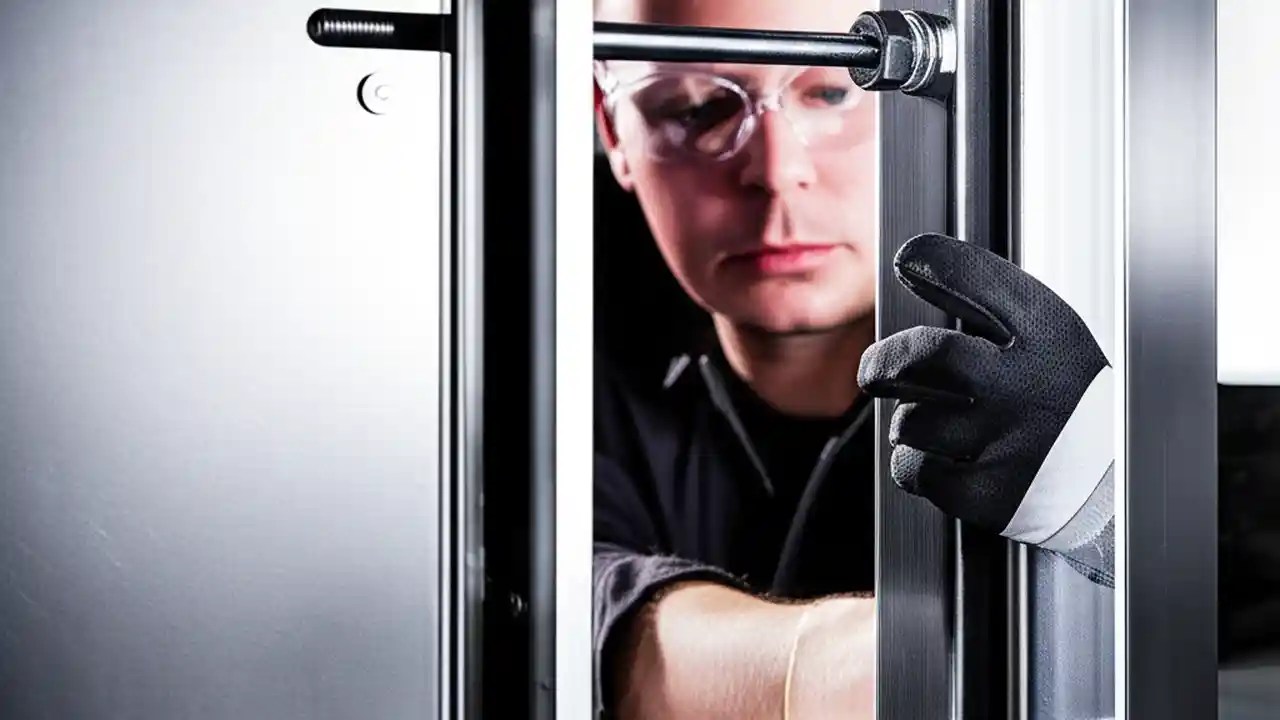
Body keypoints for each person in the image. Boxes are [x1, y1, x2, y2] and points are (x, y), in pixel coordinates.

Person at [591, 1, 1116, 718]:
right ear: (610, 129)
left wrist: (1109, 512)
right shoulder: (515, 330)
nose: (776, 171)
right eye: (697, 108)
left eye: (837, 89)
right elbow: (530, 598)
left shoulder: (1098, 321)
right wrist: (832, 668)